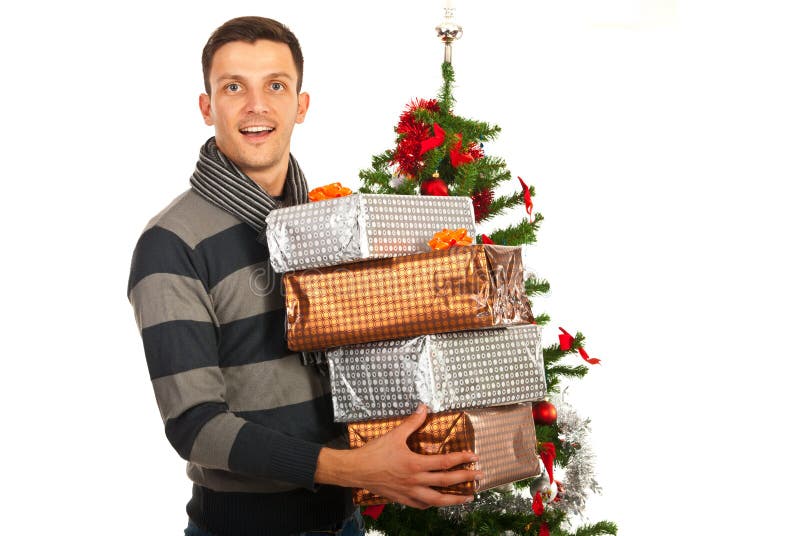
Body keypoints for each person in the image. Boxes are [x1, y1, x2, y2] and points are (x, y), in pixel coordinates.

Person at [127, 16, 482, 536]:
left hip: (346, 522)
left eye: (276, 86)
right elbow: (195, 427)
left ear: (301, 104)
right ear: (207, 107)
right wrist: (353, 469)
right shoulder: (171, 244)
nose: (257, 106)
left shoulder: (331, 225)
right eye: (233, 87)